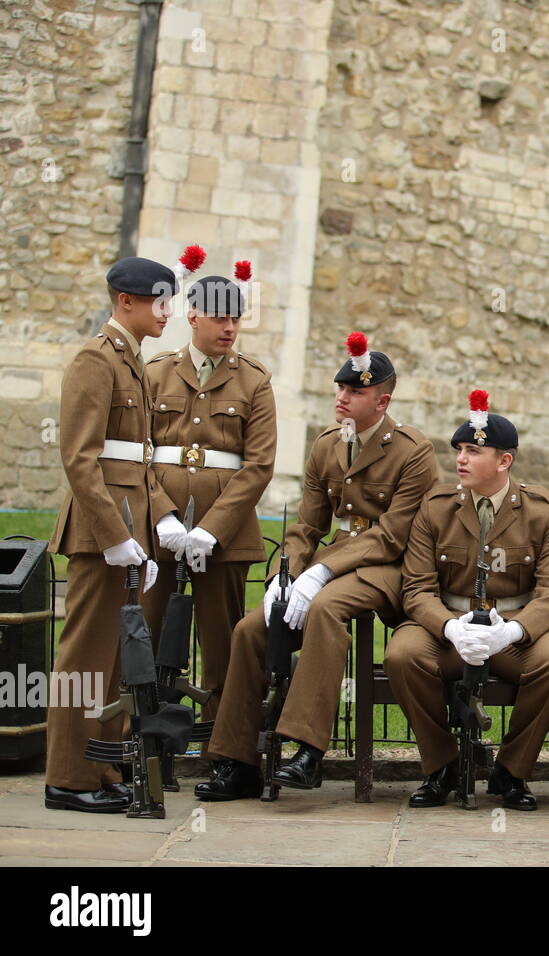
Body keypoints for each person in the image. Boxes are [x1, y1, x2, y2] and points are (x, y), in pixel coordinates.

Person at [195, 332, 435, 799]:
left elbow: (393, 536)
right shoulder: (327, 445)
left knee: (325, 608)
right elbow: (306, 526)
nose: (342, 398)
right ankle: (236, 759)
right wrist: (283, 575)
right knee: (250, 629)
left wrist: (320, 574)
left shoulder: (413, 452)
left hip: (387, 566)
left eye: (356, 392)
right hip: (331, 564)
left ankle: (306, 750)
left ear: (382, 401)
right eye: (341, 389)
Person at [45, 251, 191, 812]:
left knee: (112, 658)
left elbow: (141, 459)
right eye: (159, 302)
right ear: (125, 302)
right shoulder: (95, 359)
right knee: (83, 658)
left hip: (126, 527)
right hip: (99, 530)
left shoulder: (130, 360)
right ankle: (67, 777)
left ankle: (101, 767)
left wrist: (152, 528)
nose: (167, 312)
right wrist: (112, 535)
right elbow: (80, 458)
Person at [384, 391, 549, 811]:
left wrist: (513, 630)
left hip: (513, 628)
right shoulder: (436, 508)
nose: (461, 459)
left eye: (474, 451)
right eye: (459, 450)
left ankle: (512, 772)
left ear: (504, 461)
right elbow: (416, 589)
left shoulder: (540, 512)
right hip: (450, 625)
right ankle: (442, 767)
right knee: (403, 655)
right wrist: (450, 627)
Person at [143, 262, 276, 723]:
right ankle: (140, 737)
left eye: (236, 319)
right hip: (157, 527)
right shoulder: (155, 374)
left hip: (226, 533)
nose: (230, 328)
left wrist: (212, 530)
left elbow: (259, 466)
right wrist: (162, 515)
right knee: (145, 634)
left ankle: (225, 743)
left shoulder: (254, 379)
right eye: (220, 318)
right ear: (193, 315)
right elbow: (140, 454)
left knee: (223, 645)